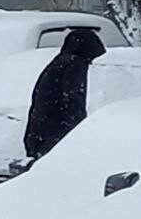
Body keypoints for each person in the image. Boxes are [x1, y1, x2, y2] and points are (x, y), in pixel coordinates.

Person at [23, 28, 106, 160]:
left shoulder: (59, 62)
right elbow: (73, 101)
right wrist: (79, 132)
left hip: (41, 135)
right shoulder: (75, 64)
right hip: (57, 139)